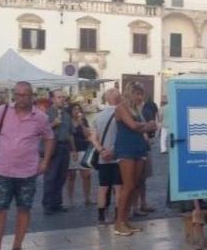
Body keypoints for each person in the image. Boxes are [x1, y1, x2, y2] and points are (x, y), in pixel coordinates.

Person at [0, 81, 54, 250]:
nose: (21, 98)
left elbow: (50, 138)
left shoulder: (40, 117)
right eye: (18, 94)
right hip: (2, 169)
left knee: (24, 209)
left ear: (31, 95)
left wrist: (45, 161)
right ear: (14, 95)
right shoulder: (2, 111)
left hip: (27, 171)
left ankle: (17, 247)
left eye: (25, 94)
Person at [113, 83, 156, 236]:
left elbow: (143, 128)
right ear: (130, 93)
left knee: (135, 185)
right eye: (138, 94)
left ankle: (125, 220)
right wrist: (147, 125)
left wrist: (145, 126)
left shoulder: (137, 109)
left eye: (141, 94)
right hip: (126, 149)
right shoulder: (121, 108)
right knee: (128, 186)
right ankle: (118, 223)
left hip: (139, 147)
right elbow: (132, 125)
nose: (140, 98)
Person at [89, 88, 122, 227]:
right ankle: (118, 216)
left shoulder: (97, 117)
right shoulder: (120, 115)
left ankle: (101, 218)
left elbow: (93, 138)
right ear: (118, 99)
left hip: (103, 159)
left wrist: (102, 150)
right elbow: (121, 137)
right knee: (118, 188)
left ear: (107, 100)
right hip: (117, 157)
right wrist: (111, 150)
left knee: (103, 188)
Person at [42, 89, 77, 215]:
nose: (62, 99)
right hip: (52, 148)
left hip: (64, 147)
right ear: (53, 99)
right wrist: (53, 124)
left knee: (61, 177)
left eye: (63, 97)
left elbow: (70, 133)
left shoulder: (67, 115)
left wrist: (74, 150)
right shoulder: (46, 114)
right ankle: (48, 205)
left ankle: (57, 203)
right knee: (51, 177)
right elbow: (40, 132)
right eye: (59, 97)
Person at [66, 103, 93, 207]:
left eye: (78, 109)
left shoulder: (83, 120)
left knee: (86, 175)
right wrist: (73, 150)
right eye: (75, 109)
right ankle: (70, 199)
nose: (77, 111)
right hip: (72, 151)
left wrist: (82, 124)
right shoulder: (68, 121)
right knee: (71, 176)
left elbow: (87, 135)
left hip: (83, 149)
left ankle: (87, 198)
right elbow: (69, 136)